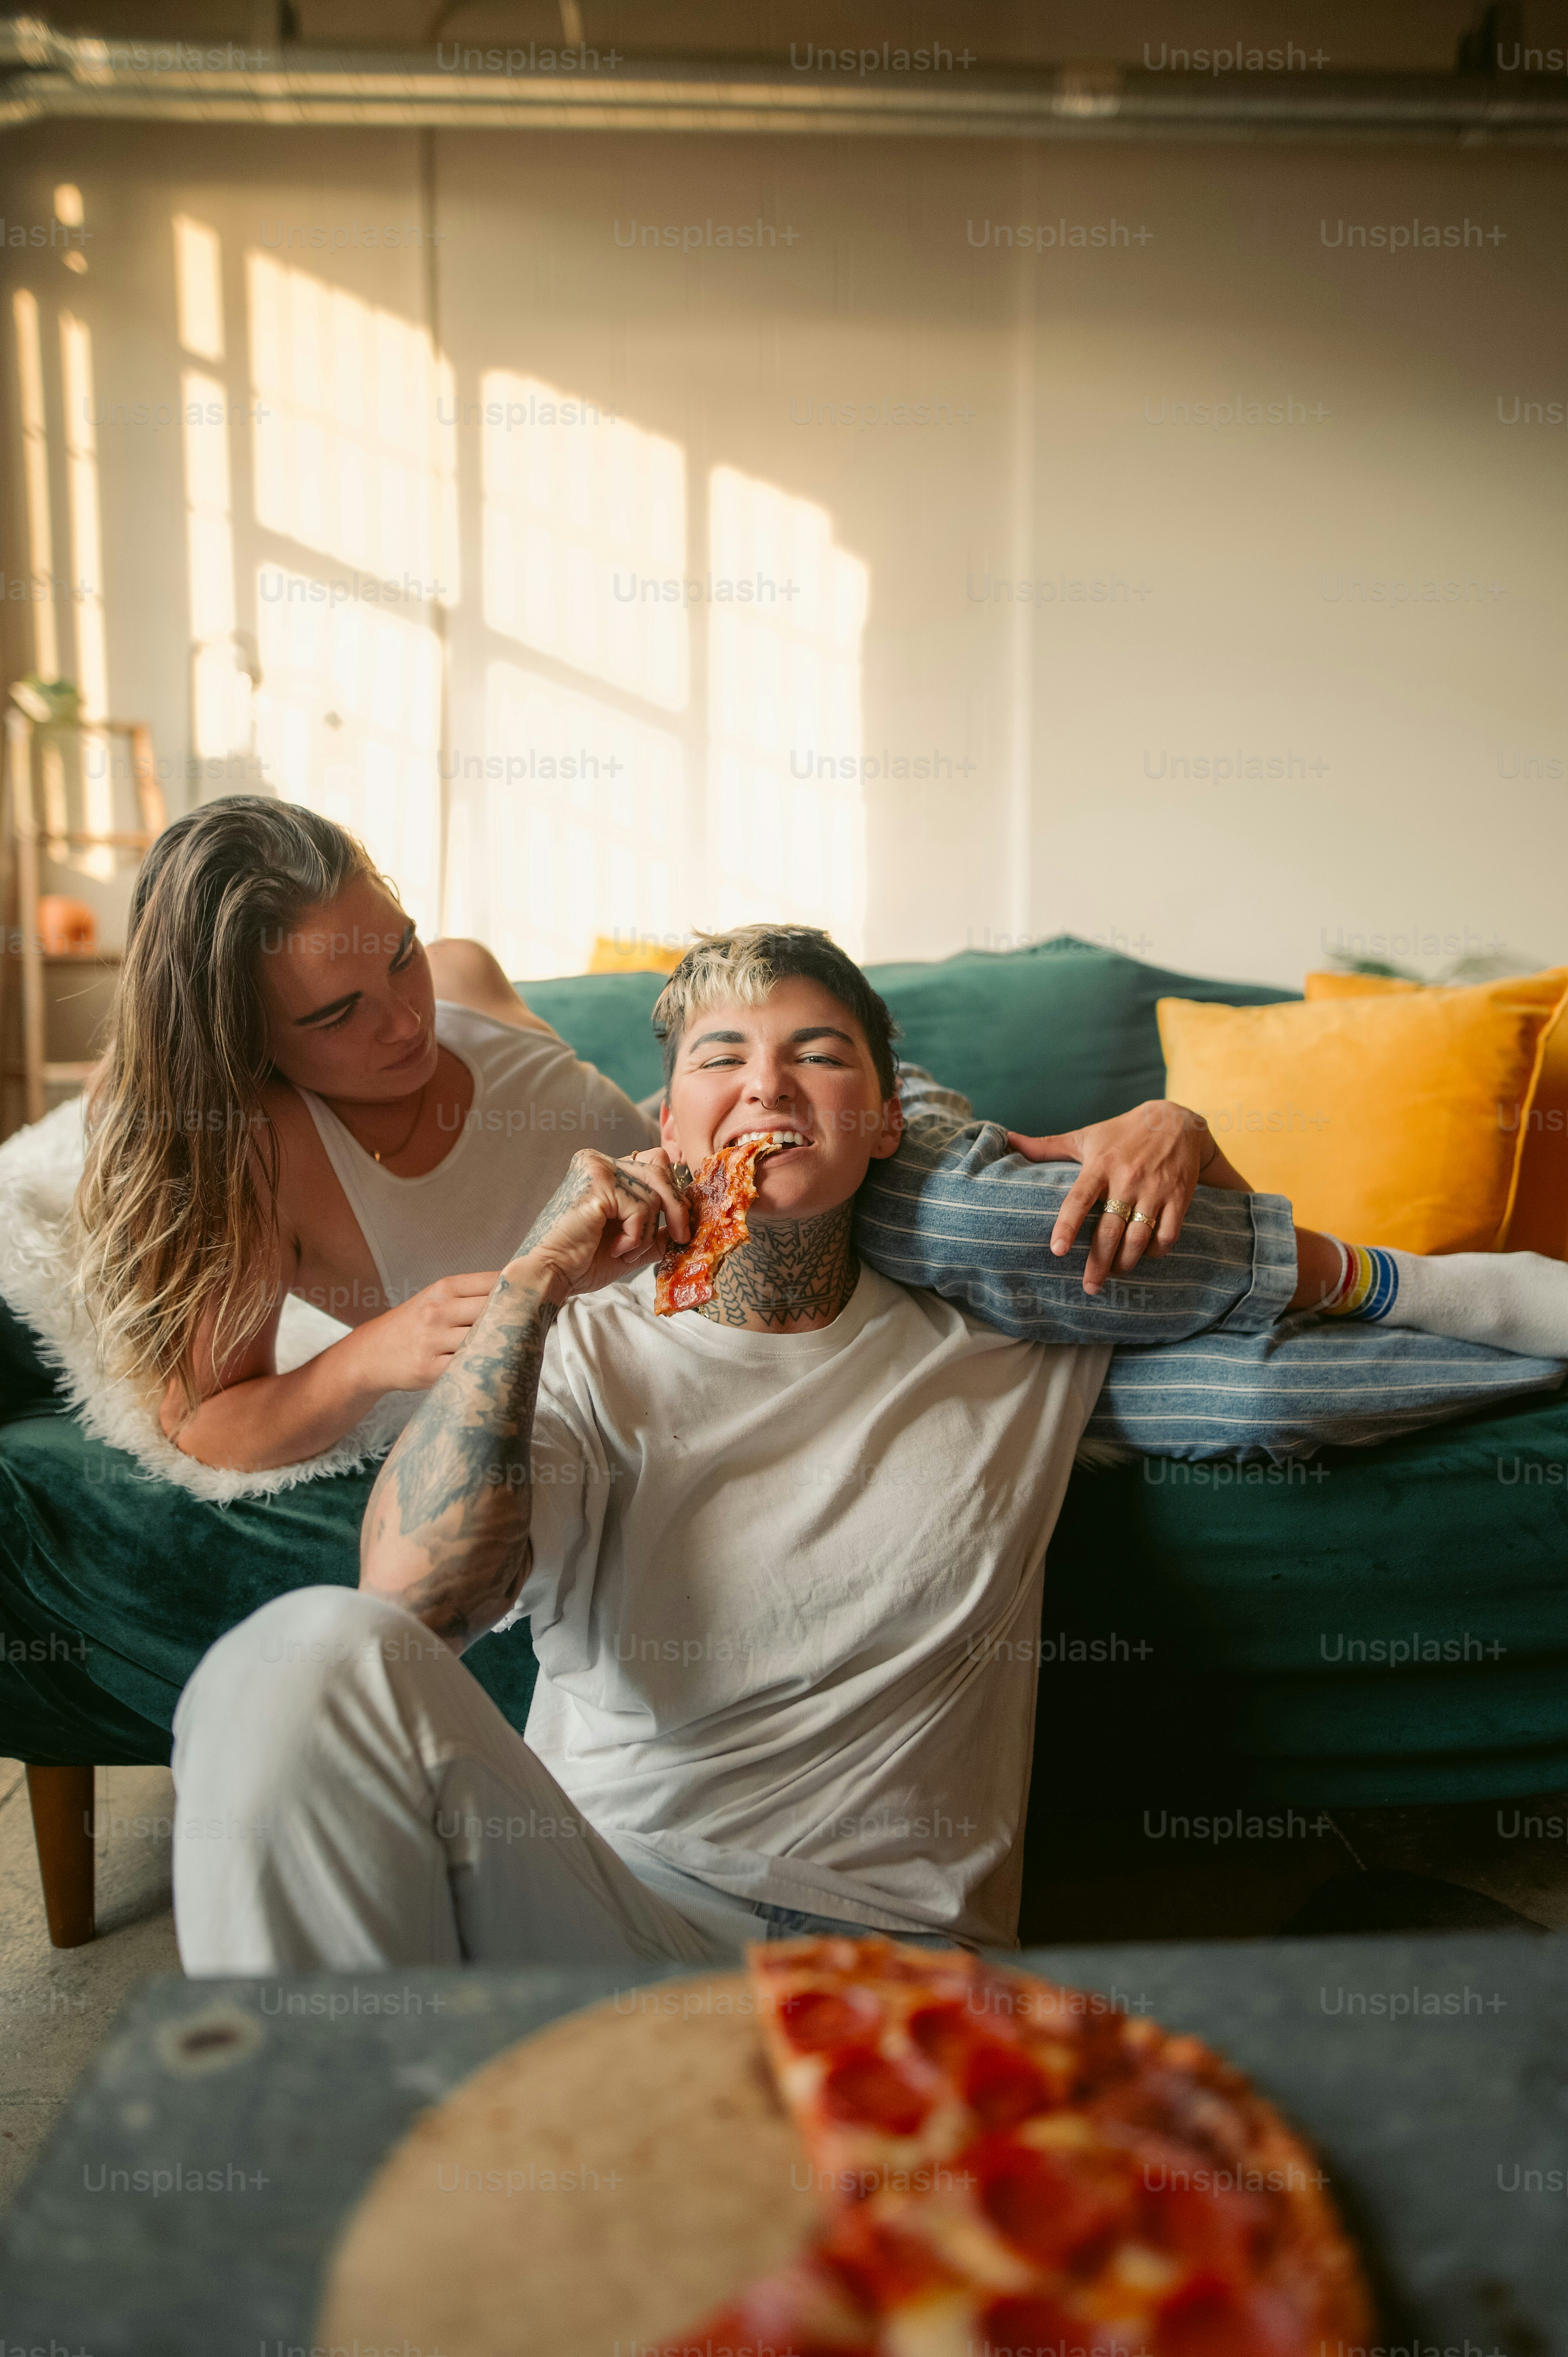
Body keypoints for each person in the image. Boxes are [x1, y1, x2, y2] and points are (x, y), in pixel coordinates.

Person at [171, 931, 1568, 1971]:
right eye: (719, 1059)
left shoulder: (1017, 1324)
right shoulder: (585, 1346)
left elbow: (1246, 1319)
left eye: (818, 1055)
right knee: (294, 1658)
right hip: (613, 1916)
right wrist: (533, 1281)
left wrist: (1180, 1132)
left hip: (889, 1973)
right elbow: (414, 1605)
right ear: (666, 1126)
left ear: (894, 1120)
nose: (763, 1085)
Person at [72, 800, 1564, 1476]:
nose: (402, 1019)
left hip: (787, 1163)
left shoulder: (458, 979)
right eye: (338, 1015)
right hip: (718, 1310)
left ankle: (1432, 1281)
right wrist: (381, 1352)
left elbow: (693, 1094)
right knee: (1232, 1415)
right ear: (242, 1036)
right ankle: (1522, 1334)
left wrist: (1146, 1123)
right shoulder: (244, 1155)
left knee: (981, 1216)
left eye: (393, 952)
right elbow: (205, 1421)